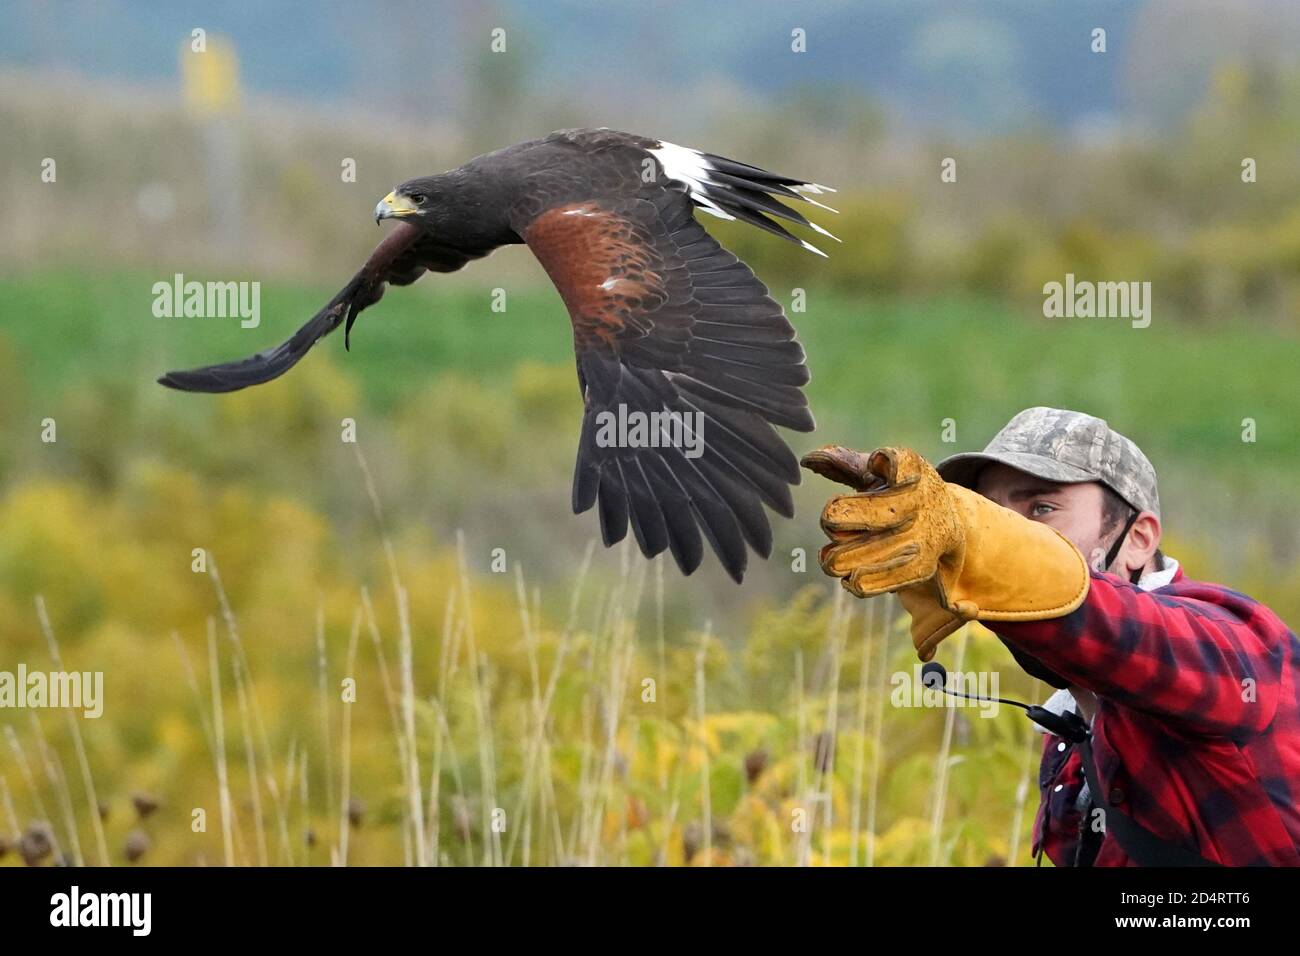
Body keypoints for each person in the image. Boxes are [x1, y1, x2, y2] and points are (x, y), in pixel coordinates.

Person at [803, 407, 1300, 866]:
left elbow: (1120, 627)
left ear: (1139, 539)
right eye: (991, 515)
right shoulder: (1071, 727)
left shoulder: (1233, 643)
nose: (1008, 534)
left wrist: (981, 546)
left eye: (1041, 509)